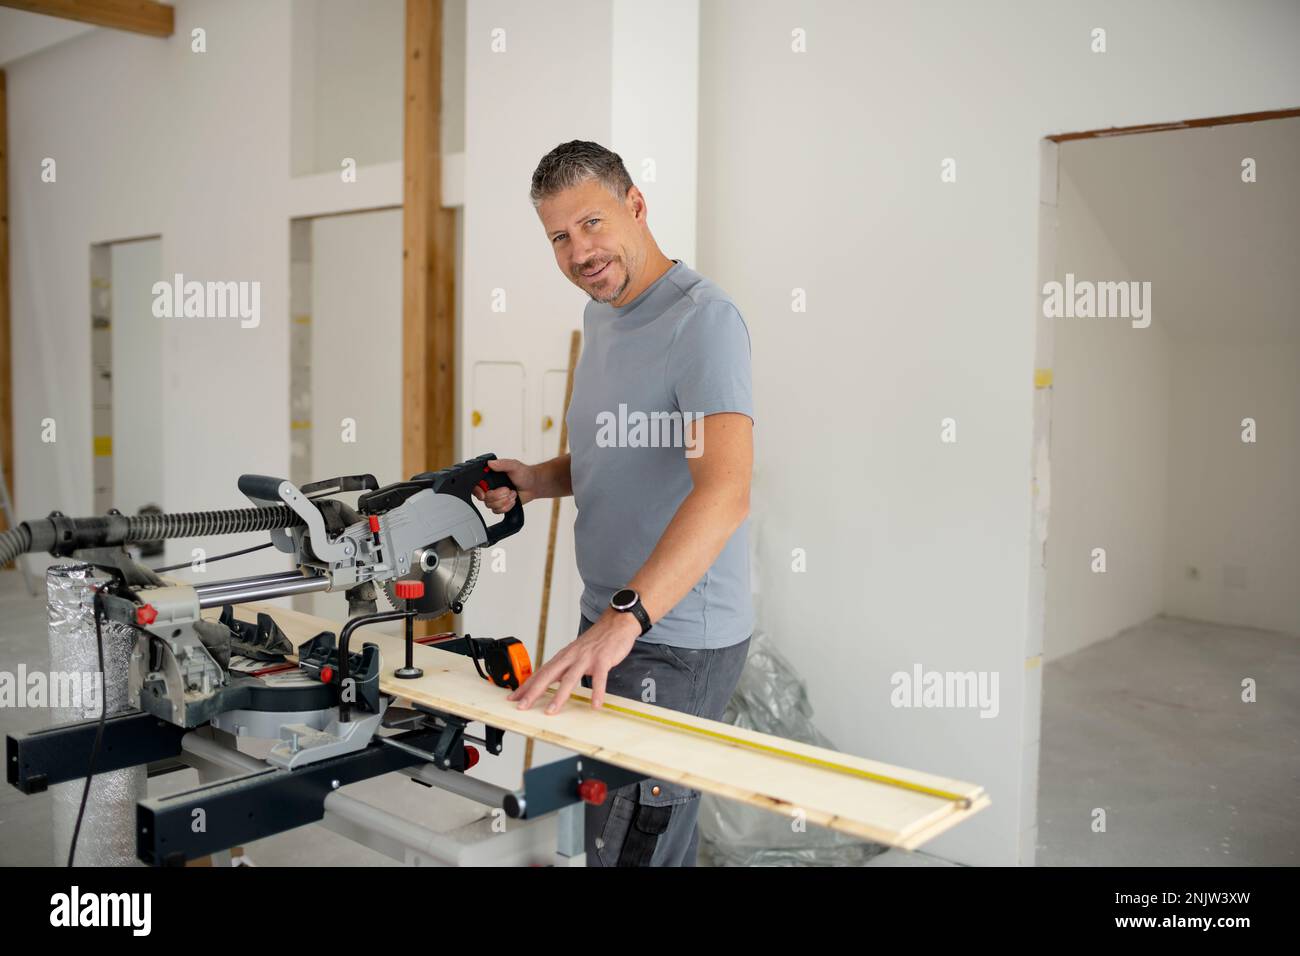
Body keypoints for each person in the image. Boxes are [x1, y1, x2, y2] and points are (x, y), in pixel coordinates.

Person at [473, 140, 754, 866]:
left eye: (592, 223)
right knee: (621, 838)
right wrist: (534, 480)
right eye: (559, 237)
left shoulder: (704, 322)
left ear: (636, 204)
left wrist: (624, 619)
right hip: (610, 617)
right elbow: (613, 453)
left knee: (632, 848)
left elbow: (725, 490)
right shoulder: (603, 317)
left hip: (671, 633)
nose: (579, 251)